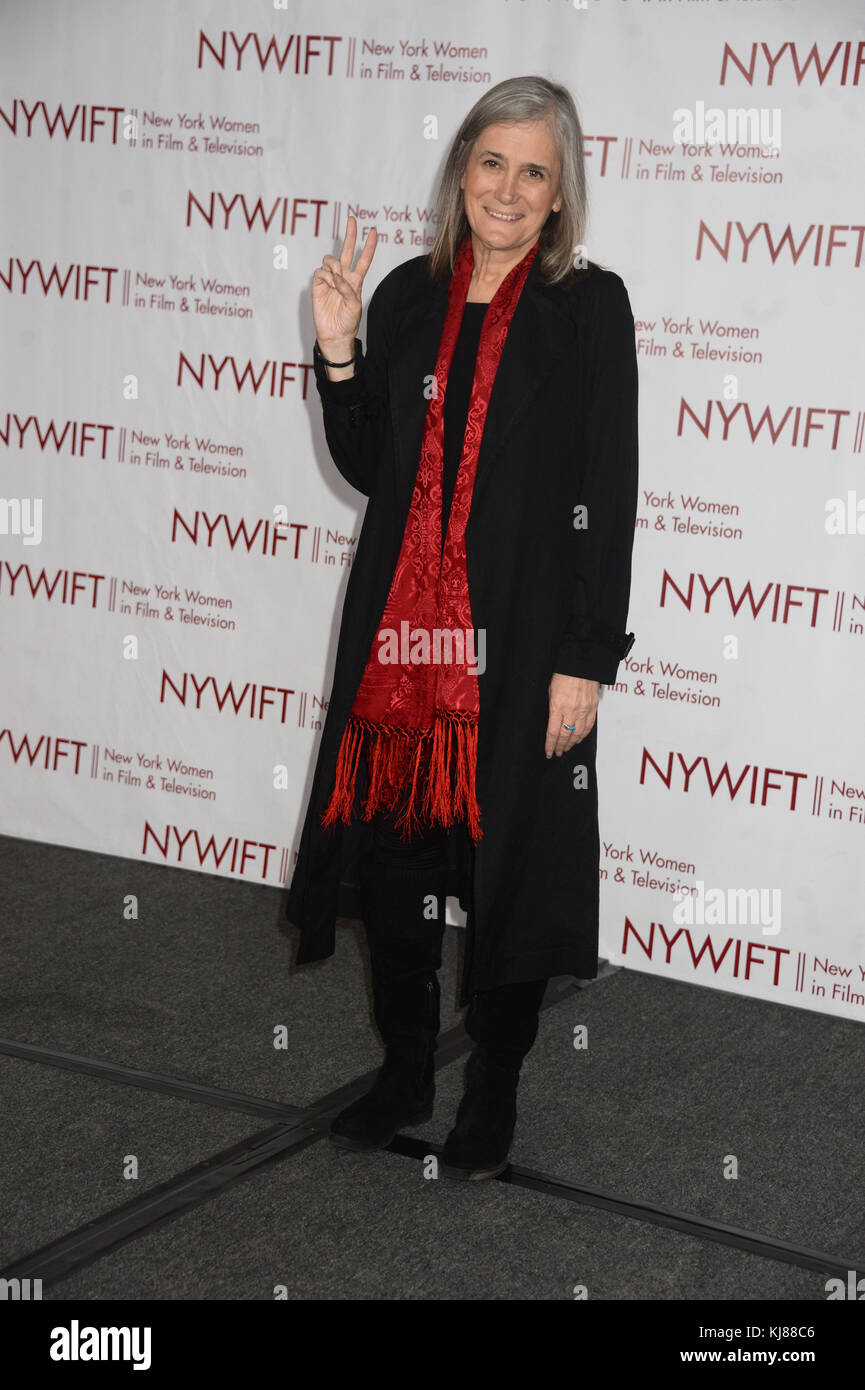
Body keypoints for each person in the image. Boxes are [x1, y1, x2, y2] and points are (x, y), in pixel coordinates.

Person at [285, 74, 638, 1181]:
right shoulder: (403, 295)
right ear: (462, 169)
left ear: (559, 193)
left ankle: (493, 1086)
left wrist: (583, 659)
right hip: (403, 653)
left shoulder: (586, 308)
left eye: (536, 170)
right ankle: (403, 1071)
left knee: (508, 878)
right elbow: (370, 469)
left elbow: (607, 488)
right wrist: (338, 350)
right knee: (390, 876)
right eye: (493, 161)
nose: (508, 187)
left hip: (522, 648)